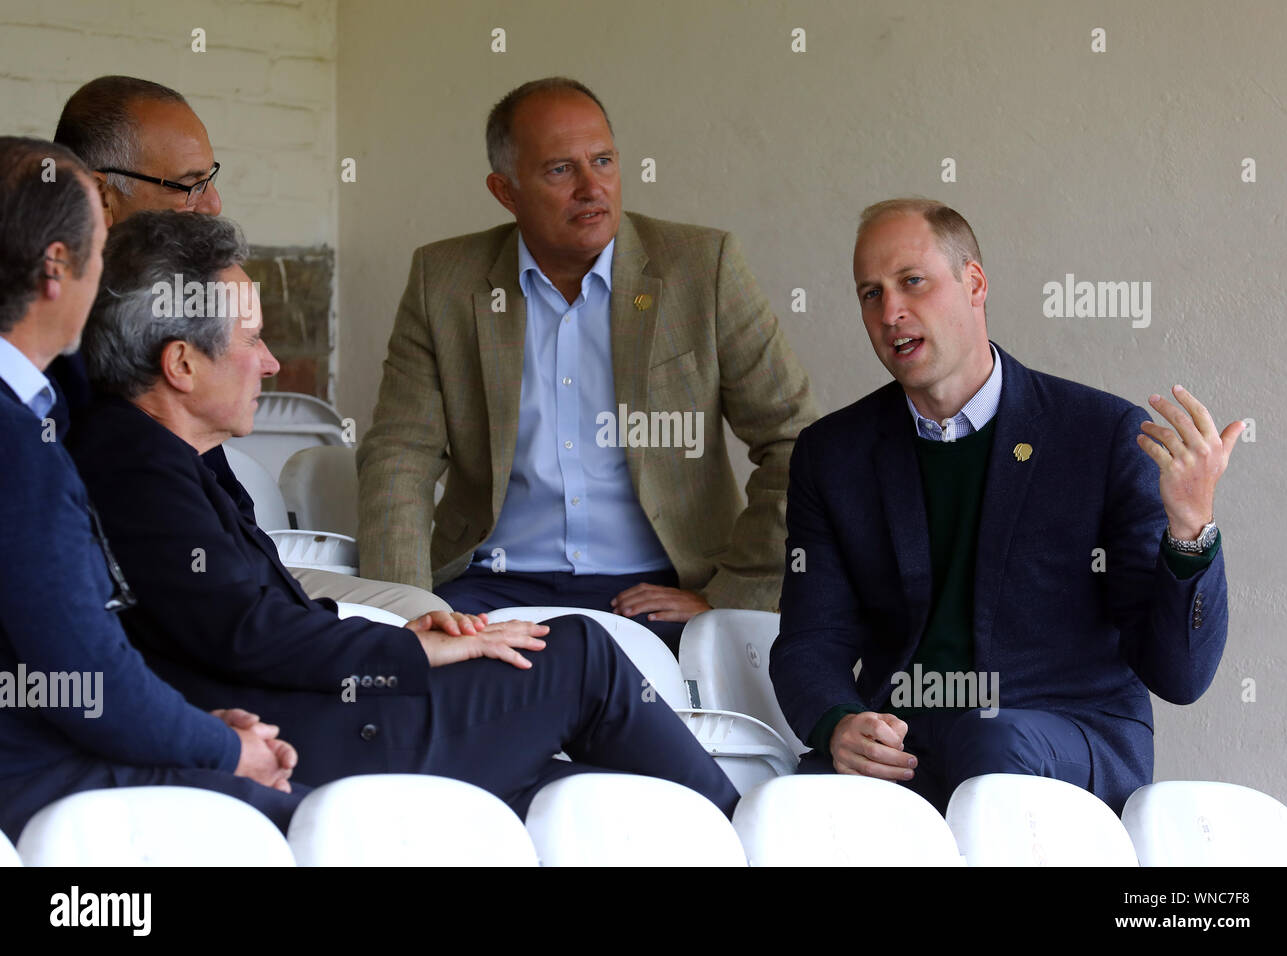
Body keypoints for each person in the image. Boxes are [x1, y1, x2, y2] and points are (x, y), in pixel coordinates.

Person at [68, 209, 740, 818]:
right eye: (253, 340)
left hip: (326, 715)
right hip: (312, 744)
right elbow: (245, 632)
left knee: (571, 796)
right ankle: (750, 832)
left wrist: (406, 635)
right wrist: (409, 649)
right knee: (580, 657)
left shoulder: (166, 451)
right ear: (182, 363)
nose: (271, 363)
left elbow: (247, 618)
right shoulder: (135, 466)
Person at [771, 198, 1238, 813]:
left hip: (1068, 732)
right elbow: (811, 638)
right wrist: (838, 724)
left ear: (974, 284)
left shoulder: (1098, 436)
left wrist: (1190, 527)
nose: (891, 312)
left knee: (993, 747)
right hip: (909, 745)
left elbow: (1180, 677)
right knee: (783, 808)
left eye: (912, 281)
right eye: (870, 294)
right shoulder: (833, 454)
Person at [357, 77, 819, 653]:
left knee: (643, 715)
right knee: (437, 707)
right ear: (506, 191)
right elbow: (399, 454)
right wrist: (406, 612)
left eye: (602, 160)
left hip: (662, 589)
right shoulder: (444, 280)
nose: (591, 186)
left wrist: (732, 594)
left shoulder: (703, 268)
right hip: (492, 588)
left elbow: (795, 440)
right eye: (559, 170)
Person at [48, 73, 448, 622]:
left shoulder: (180, 290)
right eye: (187, 184)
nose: (212, 204)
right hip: (150, 598)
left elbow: (219, 488)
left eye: (209, 178)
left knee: (419, 608)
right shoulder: (55, 326)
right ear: (100, 195)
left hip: (237, 562)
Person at [0, 137, 301, 840]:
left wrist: (192, 728)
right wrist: (228, 750)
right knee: (318, 830)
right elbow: (87, 683)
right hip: (34, 779)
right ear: (55, 269)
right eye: (99, 254)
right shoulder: (19, 449)